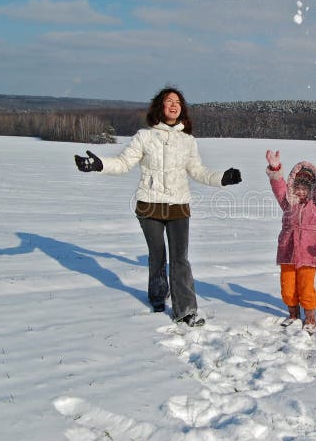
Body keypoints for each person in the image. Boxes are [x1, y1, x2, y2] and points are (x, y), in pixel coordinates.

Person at [74, 86, 242, 327]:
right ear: (160, 107)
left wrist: (222, 178)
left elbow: (198, 171)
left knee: (180, 259)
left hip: (178, 206)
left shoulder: (188, 141)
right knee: (157, 255)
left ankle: (186, 309)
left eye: (177, 101)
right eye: (168, 101)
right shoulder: (145, 136)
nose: (174, 105)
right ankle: (157, 295)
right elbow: (123, 163)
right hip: (149, 205)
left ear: (181, 108)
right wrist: (99, 164)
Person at [266, 149, 316, 333]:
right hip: (287, 251)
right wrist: (275, 169)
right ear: (292, 187)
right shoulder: (287, 203)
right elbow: (279, 188)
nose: (301, 191)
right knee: (287, 287)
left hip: (307, 253)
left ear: (312, 189)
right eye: (297, 187)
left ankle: (310, 317)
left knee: (306, 287)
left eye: (305, 187)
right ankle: (293, 314)